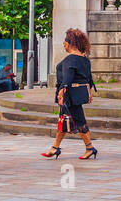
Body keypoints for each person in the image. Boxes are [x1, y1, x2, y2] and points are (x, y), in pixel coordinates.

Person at [41, 28, 98, 160]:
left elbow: (67, 79)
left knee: (79, 121)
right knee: (64, 120)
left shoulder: (70, 60)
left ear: (70, 43)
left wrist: (61, 93)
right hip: (78, 93)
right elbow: (89, 78)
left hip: (70, 95)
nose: (63, 45)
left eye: (65, 43)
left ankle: (90, 148)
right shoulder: (84, 60)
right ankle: (55, 148)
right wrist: (89, 93)